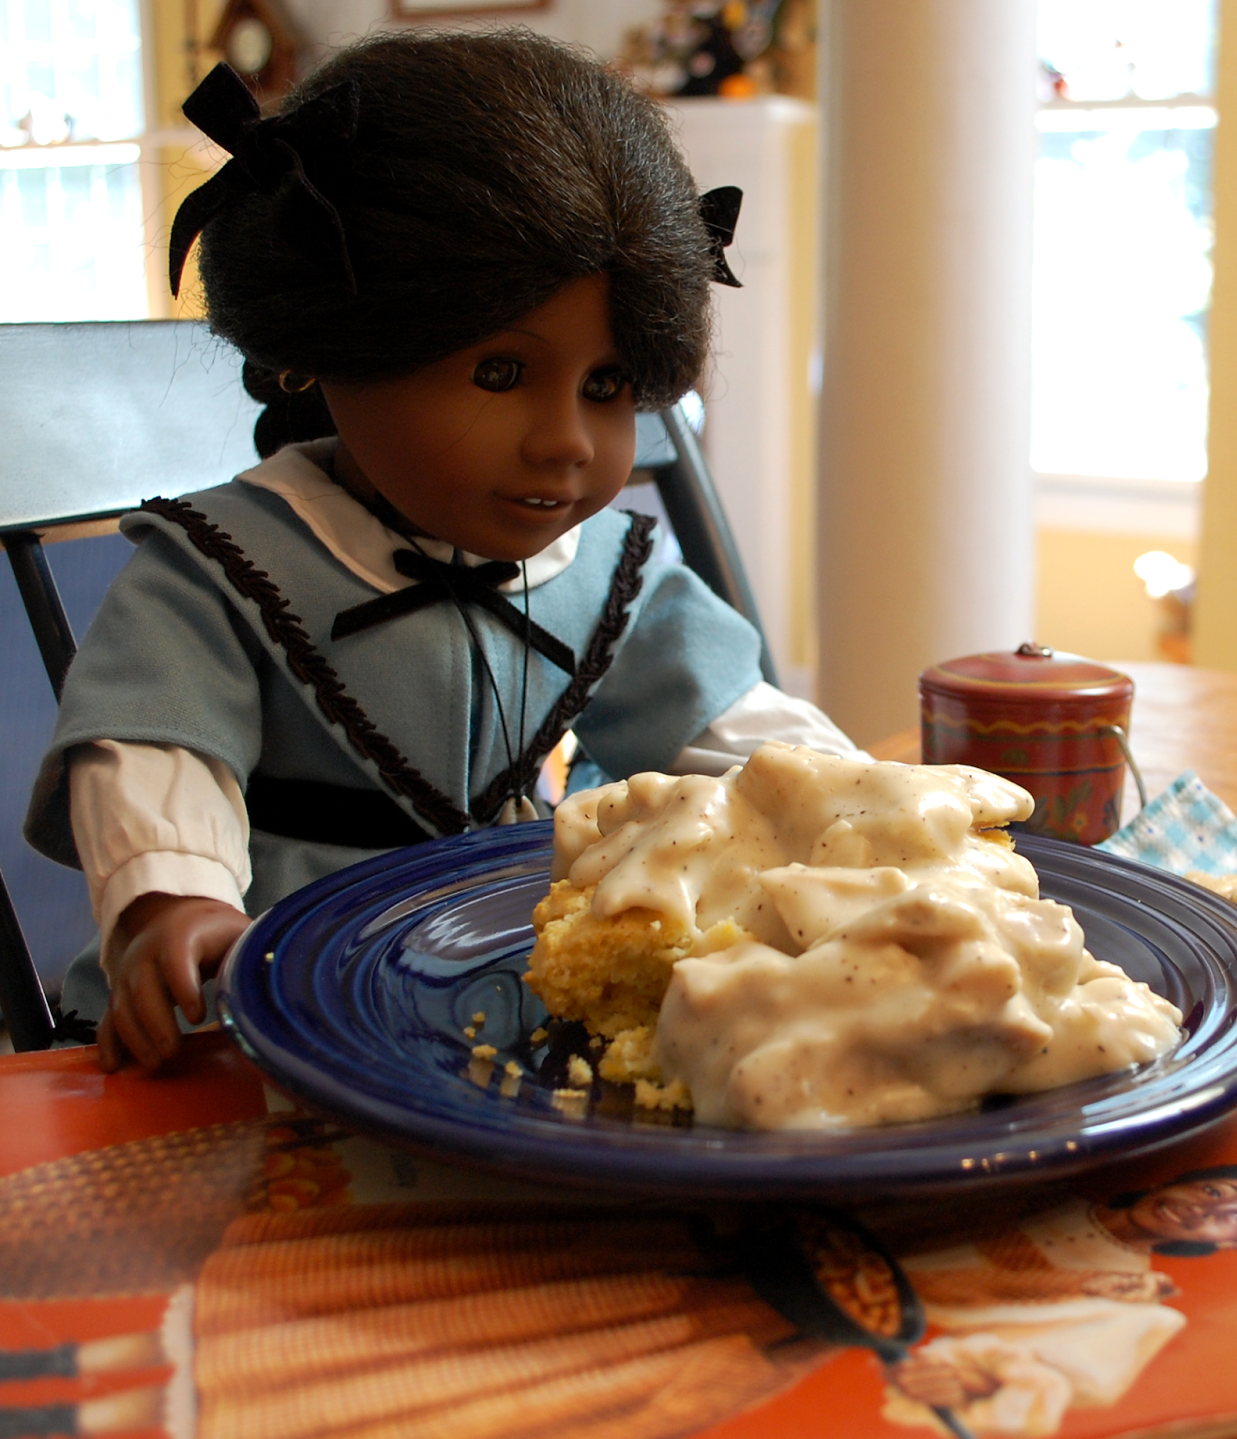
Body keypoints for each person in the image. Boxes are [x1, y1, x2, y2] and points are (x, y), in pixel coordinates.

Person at [23, 32, 867, 1075]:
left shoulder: (607, 573)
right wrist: (175, 896)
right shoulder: (226, 563)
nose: (566, 439)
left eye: (605, 387)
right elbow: (156, 747)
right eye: (502, 371)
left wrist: (866, 812)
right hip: (269, 986)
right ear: (334, 342)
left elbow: (742, 735)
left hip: (509, 989)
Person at [884, 1165, 1237, 1436]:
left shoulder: (1122, 1307)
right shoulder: (1031, 1180)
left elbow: (1004, 1383)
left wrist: (962, 1384)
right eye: (1214, 1191)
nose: (1204, 1209)